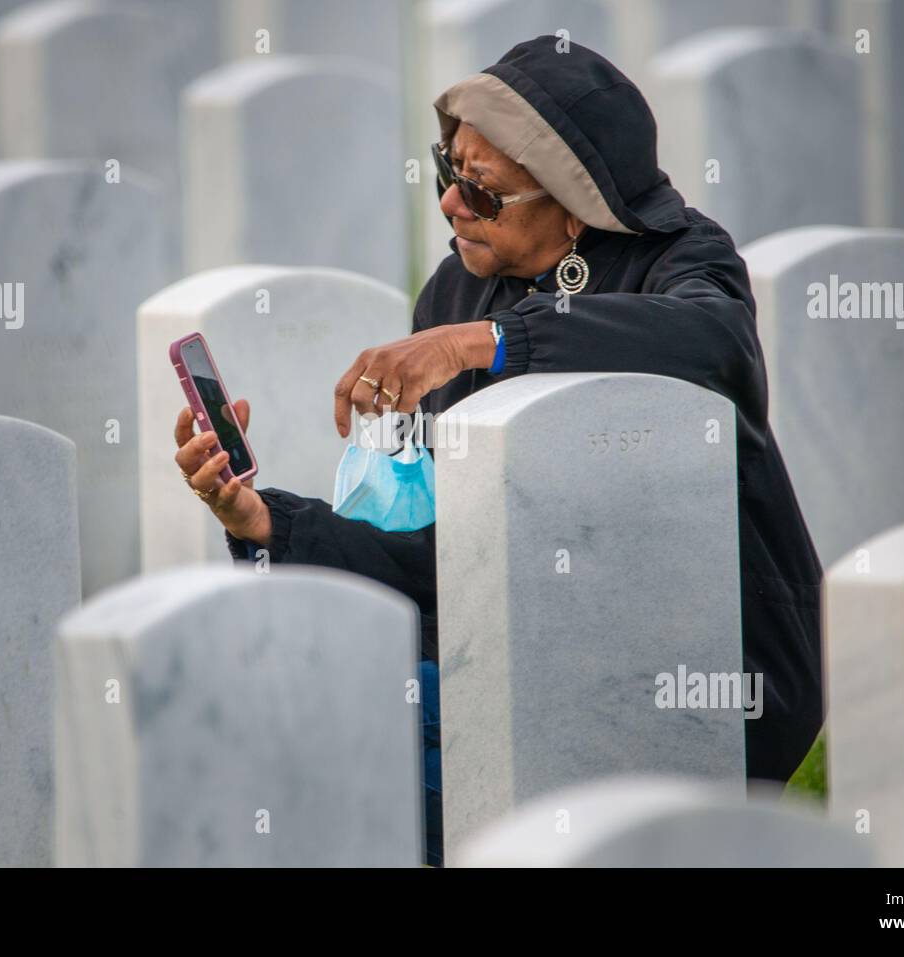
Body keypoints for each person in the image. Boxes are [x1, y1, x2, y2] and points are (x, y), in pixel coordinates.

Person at [173, 36, 824, 867]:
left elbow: (715, 345)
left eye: (482, 190)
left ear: (576, 203)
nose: (448, 203)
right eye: (448, 167)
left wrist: (488, 342)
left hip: (713, 666)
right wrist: (267, 521)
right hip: (523, 659)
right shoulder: (454, 290)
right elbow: (451, 558)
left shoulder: (680, 260)